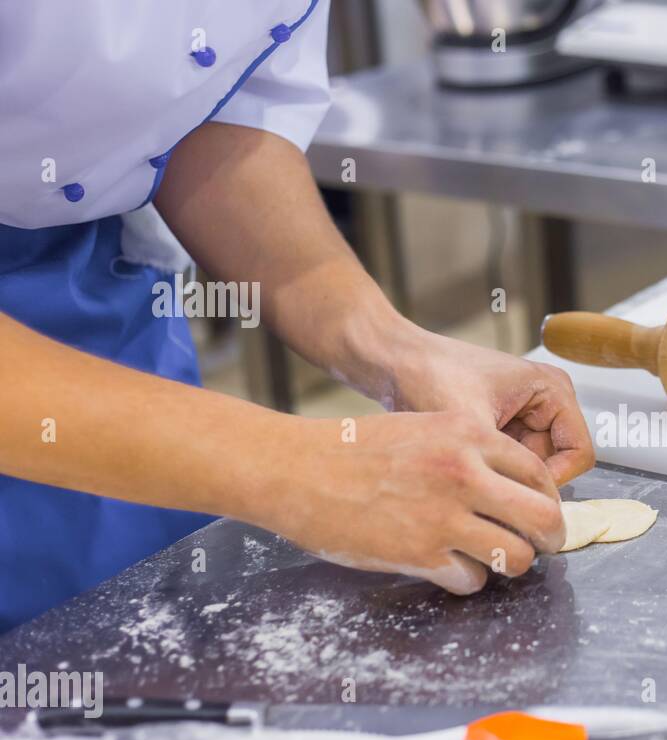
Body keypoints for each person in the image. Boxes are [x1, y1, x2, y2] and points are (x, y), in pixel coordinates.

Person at [0, 1, 594, 633]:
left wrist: (395, 349)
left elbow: (205, 120)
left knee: (134, 649)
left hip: (101, 328)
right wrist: (295, 469)